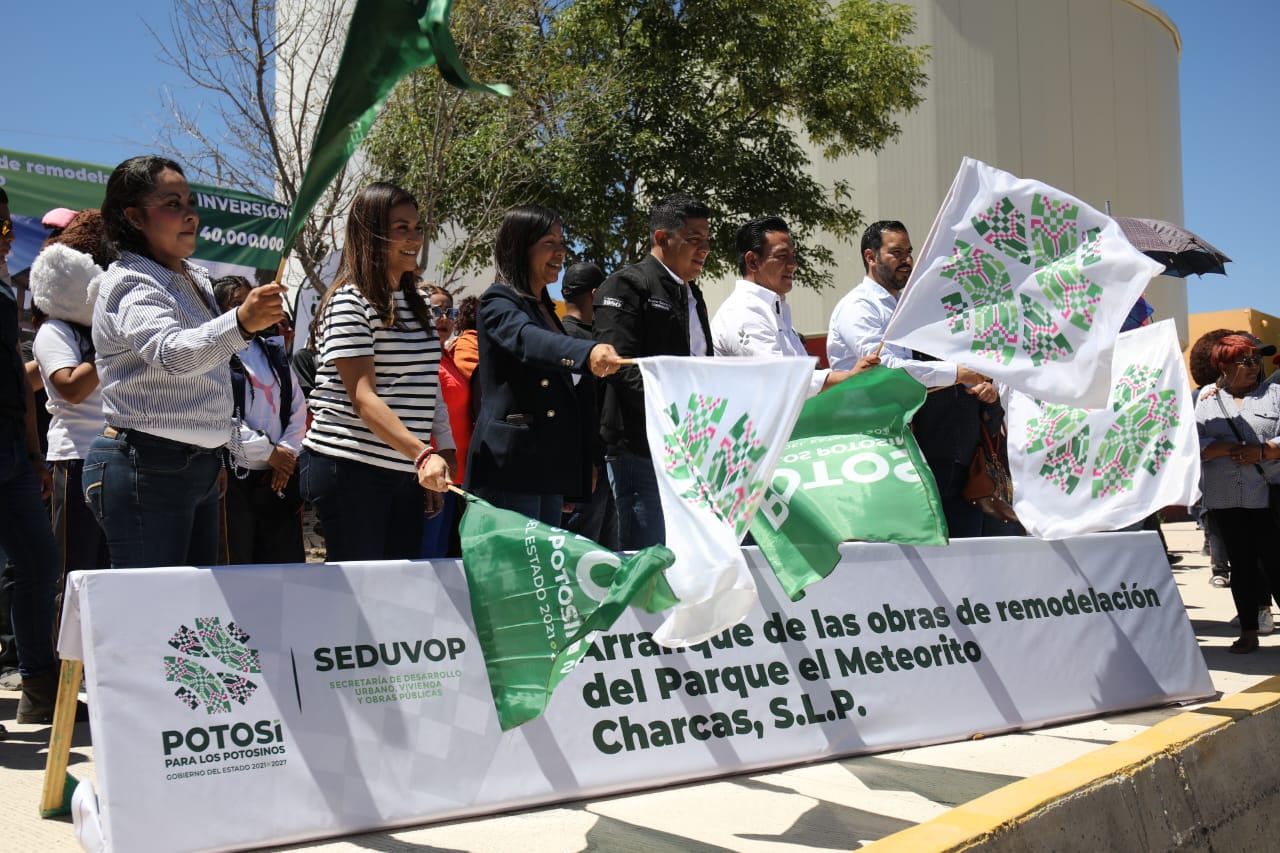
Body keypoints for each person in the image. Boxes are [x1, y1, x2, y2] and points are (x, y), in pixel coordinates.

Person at [85, 155, 287, 570]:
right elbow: (173, 353)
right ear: (134, 217)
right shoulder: (129, 281)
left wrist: (216, 446)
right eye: (172, 204)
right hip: (146, 466)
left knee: (189, 616)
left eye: (190, 202)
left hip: (198, 468)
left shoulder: (193, 276)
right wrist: (242, 321)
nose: (190, 215)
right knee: (153, 613)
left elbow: (211, 372)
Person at [299, 182, 454, 561]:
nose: (415, 237)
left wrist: (438, 454)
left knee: (396, 593)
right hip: (351, 468)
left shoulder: (417, 301)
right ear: (370, 233)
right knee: (362, 599)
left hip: (404, 467)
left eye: (417, 227)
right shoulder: (349, 301)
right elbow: (364, 399)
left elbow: (423, 384)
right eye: (401, 228)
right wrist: (422, 456)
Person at [465, 205, 622, 525]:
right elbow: (528, 340)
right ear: (519, 246)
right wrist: (585, 353)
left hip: (545, 471)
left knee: (542, 572)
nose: (560, 252)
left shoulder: (545, 309)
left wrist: (571, 474)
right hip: (509, 467)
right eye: (549, 243)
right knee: (517, 572)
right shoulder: (499, 300)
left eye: (562, 243)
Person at [593, 192, 714, 549]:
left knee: (685, 552)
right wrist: (674, 412)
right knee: (647, 555)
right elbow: (618, 365)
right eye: (694, 240)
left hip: (690, 449)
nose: (705, 249)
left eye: (708, 240)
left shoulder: (693, 294)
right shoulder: (627, 285)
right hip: (639, 449)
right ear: (662, 238)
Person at [0, 187, 69, 726]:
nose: (7, 243)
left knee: (41, 561)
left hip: (13, 451)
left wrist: (31, 445)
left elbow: (17, 380)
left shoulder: (4, 293)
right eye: (1, 231)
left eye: (8, 230)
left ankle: (38, 688)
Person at [29, 210, 114, 577]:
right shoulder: (56, 331)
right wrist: (108, 346)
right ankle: (59, 636)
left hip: (116, 462)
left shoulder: (101, 333)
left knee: (106, 571)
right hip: (74, 459)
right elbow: (71, 387)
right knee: (71, 570)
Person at [826, 220, 995, 397]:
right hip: (859, 418)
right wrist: (955, 373)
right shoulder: (858, 305)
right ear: (871, 257)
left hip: (896, 418)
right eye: (897, 253)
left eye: (909, 253)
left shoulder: (903, 304)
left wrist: (971, 380)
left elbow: (934, 351)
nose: (907, 260)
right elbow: (882, 367)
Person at [711, 216, 877, 396]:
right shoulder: (743, 312)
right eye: (782, 256)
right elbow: (779, 379)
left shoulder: (772, 308)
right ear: (752, 261)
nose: (793, 265)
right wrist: (849, 376)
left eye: (793, 256)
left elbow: (801, 377)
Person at [212, 276, 307, 565]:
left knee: (281, 566)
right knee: (238, 565)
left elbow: (297, 407)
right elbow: (218, 416)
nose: (248, 310)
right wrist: (268, 453)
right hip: (235, 479)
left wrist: (287, 455)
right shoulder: (215, 354)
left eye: (250, 301)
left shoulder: (271, 351)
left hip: (278, 478)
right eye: (236, 305)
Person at [1195, 334, 1280, 654]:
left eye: (1256, 359)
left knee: (1275, 563)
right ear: (1223, 365)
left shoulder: (1275, 394)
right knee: (1242, 565)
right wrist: (1218, 448)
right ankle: (1248, 630)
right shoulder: (1205, 398)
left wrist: (1266, 450)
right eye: (1245, 360)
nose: (1254, 366)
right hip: (1225, 496)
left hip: (1268, 495)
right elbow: (1189, 440)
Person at [559, 262, 618, 548]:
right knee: (584, 557)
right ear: (596, 294)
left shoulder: (557, 336)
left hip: (595, 466)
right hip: (587, 471)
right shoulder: (580, 342)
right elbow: (571, 412)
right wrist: (581, 468)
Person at [421, 284, 468, 558]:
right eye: (435, 310)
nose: (444, 318)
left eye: (449, 311)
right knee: (427, 559)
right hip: (430, 476)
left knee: (446, 559)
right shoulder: (421, 359)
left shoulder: (449, 357)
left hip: (455, 479)